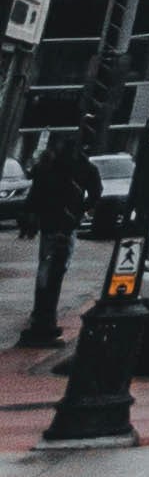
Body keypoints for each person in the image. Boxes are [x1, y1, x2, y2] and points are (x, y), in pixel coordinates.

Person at [14, 111, 93, 350]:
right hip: (64, 226)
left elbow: (35, 197)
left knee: (47, 271)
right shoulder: (80, 167)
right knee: (55, 271)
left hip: (51, 226)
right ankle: (44, 319)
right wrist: (80, 210)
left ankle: (42, 315)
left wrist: (32, 217)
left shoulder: (46, 168)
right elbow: (96, 191)